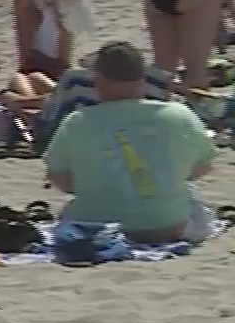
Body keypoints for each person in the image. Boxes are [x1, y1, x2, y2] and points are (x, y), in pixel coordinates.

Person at [44, 42, 213, 244]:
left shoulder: (77, 121)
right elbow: (202, 167)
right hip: (166, 228)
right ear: (143, 80)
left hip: (95, 227)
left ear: (98, 82)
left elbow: (60, 179)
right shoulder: (179, 114)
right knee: (190, 196)